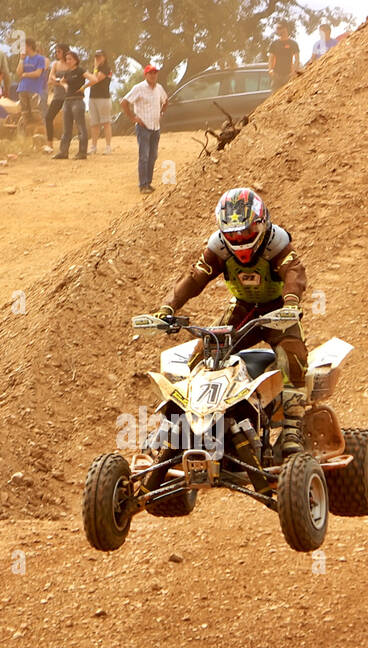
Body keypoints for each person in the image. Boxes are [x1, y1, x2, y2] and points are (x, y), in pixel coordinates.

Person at [155, 188, 309, 456]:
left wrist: (292, 302)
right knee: (204, 354)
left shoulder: (276, 242)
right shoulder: (217, 248)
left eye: (245, 234)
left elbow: (294, 272)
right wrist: (168, 306)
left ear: (261, 223)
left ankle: (292, 427)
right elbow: (194, 279)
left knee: (291, 355)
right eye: (233, 235)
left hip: (279, 309)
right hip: (244, 308)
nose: (239, 240)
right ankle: (180, 428)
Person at [119, 65, 167, 194]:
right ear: (145, 75)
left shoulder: (159, 88)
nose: (153, 75)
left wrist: (161, 113)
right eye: (150, 73)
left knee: (153, 156)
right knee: (144, 156)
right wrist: (133, 118)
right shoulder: (139, 88)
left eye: (155, 73)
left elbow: (166, 100)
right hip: (143, 127)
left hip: (155, 127)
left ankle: (148, 183)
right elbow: (124, 102)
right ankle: (143, 185)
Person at [52, 51, 87, 161]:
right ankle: (63, 152)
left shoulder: (80, 70)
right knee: (66, 128)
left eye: (70, 59)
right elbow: (62, 81)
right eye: (66, 59)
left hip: (77, 101)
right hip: (67, 101)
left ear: (76, 60)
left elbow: (94, 79)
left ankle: (82, 152)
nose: (68, 61)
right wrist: (65, 85)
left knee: (80, 127)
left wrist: (84, 87)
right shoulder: (67, 73)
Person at [42, 43, 69, 152]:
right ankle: (50, 144)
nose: (57, 53)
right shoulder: (55, 64)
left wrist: (57, 81)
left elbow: (70, 80)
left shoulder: (69, 63)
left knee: (69, 120)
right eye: (56, 51)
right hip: (58, 96)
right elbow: (49, 80)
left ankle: (67, 144)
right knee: (48, 117)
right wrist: (59, 82)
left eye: (59, 51)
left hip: (68, 96)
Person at [85, 50, 113, 156]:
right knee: (94, 123)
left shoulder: (106, 68)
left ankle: (108, 147)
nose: (97, 59)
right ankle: (93, 146)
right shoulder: (95, 69)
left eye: (100, 57)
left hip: (103, 98)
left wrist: (83, 87)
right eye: (96, 57)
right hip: (93, 97)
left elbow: (95, 79)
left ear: (104, 57)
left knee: (106, 122)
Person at [15, 38, 46, 130]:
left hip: (34, 89)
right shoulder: (24, 59)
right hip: (22, 88)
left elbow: (38, 73)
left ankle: (39, 132)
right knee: (25, 113)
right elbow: (18, 72)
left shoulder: (40, 58)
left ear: (28, 46)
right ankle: (28, 134)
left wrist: (26, 74)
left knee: (35, 112)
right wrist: (21, 60)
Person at [268, 22, 301, 87]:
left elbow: (297, 59)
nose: (278, 30)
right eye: (277, 29)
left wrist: (294, 71)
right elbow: (270, 58)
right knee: (275, 95)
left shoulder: (293, 43)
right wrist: (270, 70)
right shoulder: (274, 44)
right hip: (276, 75)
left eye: (279, 28)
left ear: (285, 29)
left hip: (288, 75)